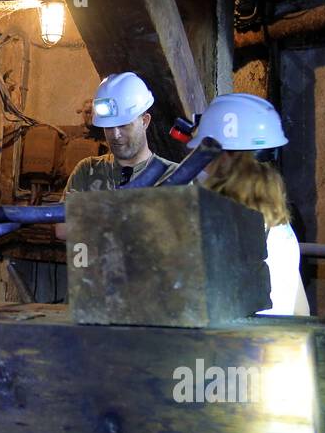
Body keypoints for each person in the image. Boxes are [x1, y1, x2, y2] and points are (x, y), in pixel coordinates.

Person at [189, 93, 309, 316]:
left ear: (224, 158)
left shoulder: (213, 230)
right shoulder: (281, 229)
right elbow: (302, 313)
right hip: (275, 347)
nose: (200, 167)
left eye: (203, 156)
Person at [56, 72, 177, 239]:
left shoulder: (175, 176)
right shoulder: (87, 171)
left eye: (123, 125)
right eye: (108, 127)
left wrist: (90, 213)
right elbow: (62, 230)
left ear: (145, 121)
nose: (116, 135)